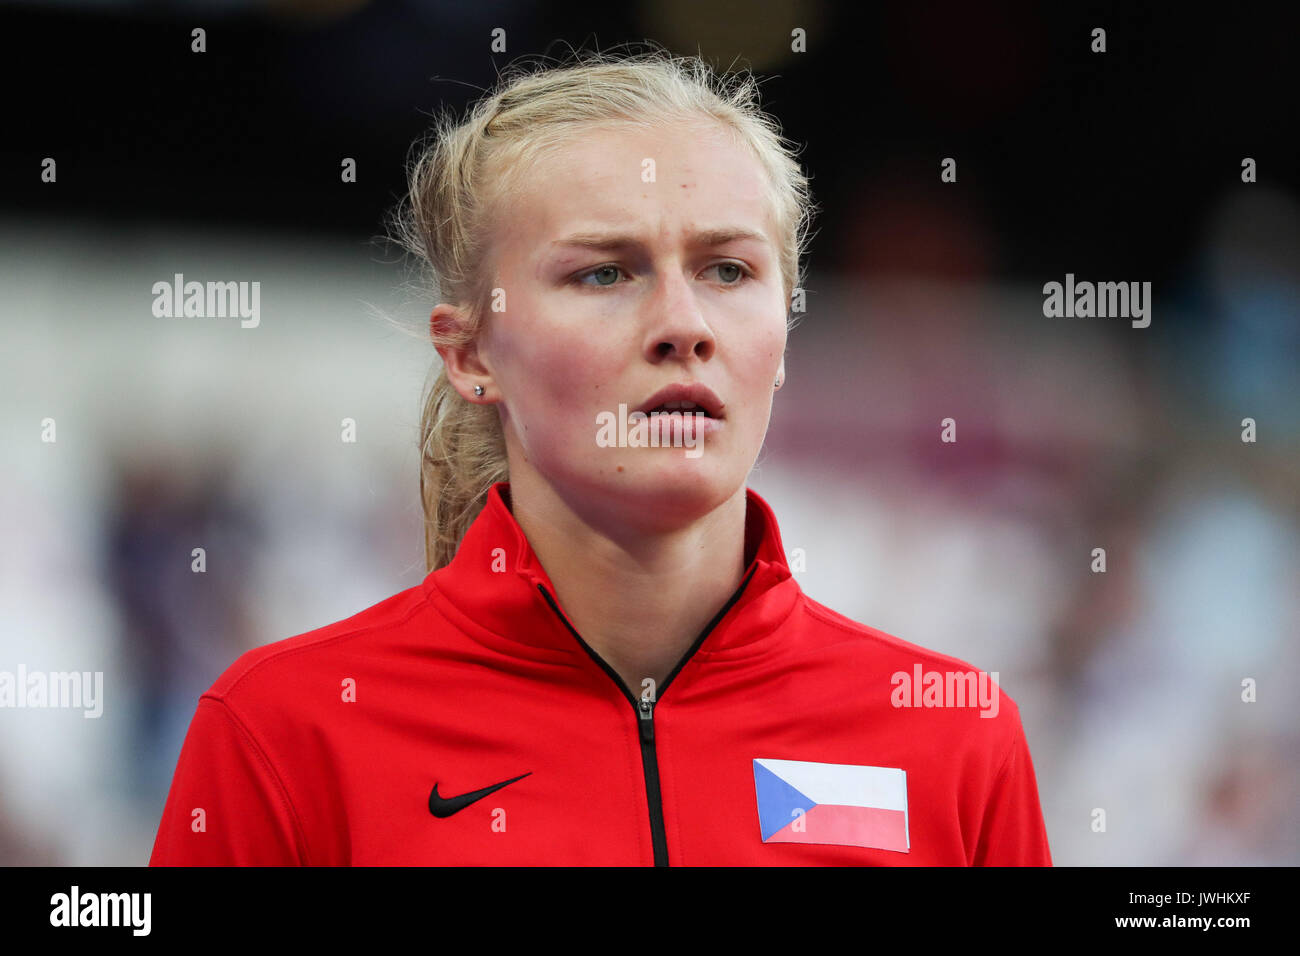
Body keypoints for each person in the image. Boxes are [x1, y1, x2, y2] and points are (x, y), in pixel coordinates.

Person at [149, 48, 1052, 866]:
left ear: (786, 327)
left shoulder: (951, 736)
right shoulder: (288, 732)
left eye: (728, 270)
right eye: (604, 273)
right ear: (471, 354)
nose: (683, 327)